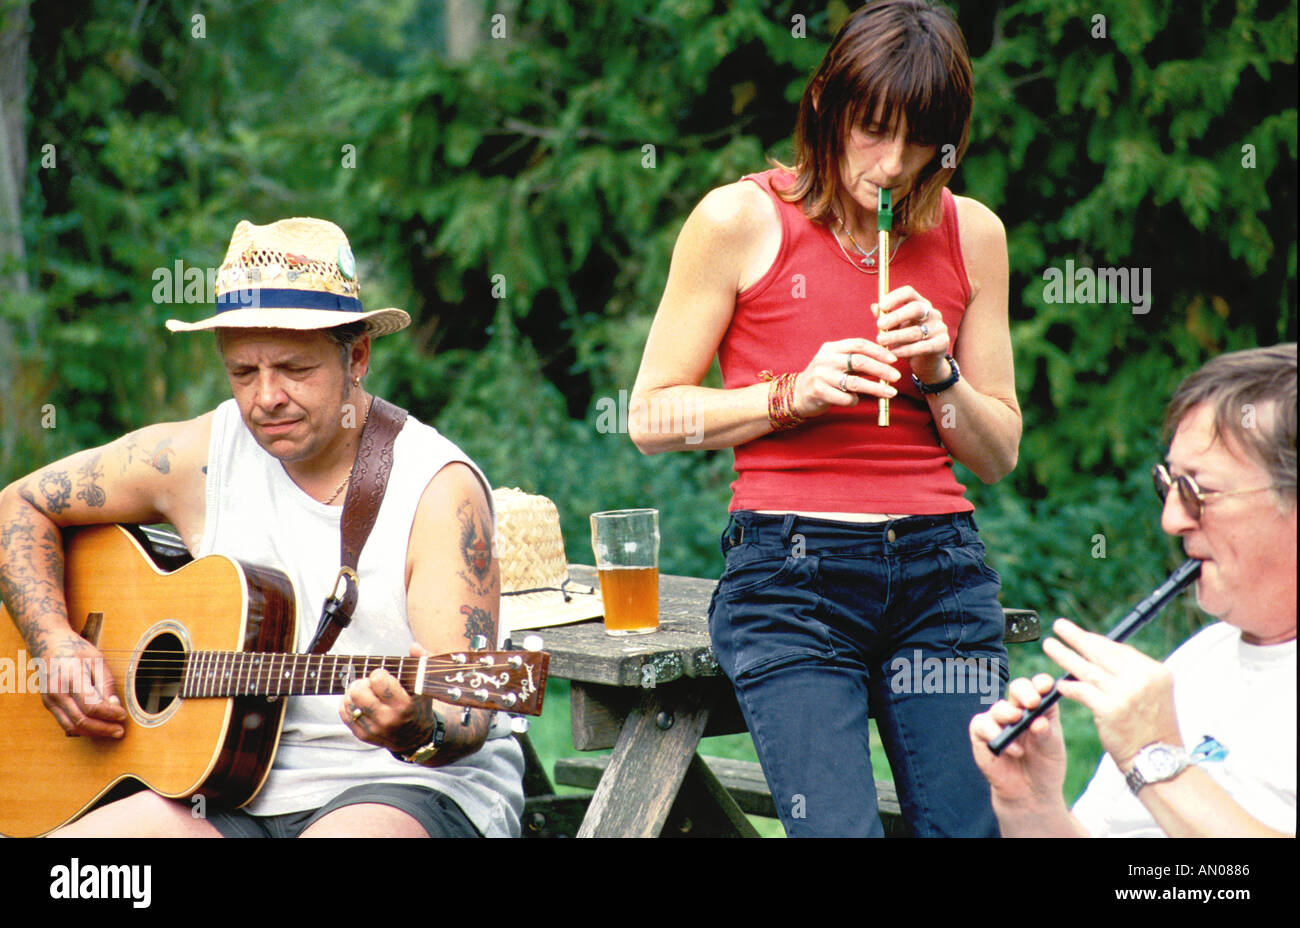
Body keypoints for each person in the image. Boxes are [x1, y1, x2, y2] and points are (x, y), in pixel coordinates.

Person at [629, 0, 1019, 837]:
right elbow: (652, 416)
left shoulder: (972, 234)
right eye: (871, 130)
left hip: (939, 573)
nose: (890, 163)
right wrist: (788, 396)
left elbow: (998, 455)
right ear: (823, 104)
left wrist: (939, 373)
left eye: (918, 141)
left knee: (974, 830)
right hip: (789, 577)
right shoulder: (739, 219)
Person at [0, 217, 525, 837]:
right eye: (243, 372)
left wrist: (420, 725)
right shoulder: (199, 455)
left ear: (355, 356)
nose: (264, 398)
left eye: (293, 369)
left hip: (406, 786)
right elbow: (18, 504)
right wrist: (56, 641)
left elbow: (466, 713)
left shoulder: (437, 489)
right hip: (220, 789)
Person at [970, 344, 1296, 837]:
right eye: (1169, 487)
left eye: (1197, 491)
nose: (1172, 520)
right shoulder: (1198, 660)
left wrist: (1155, 758)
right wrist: (1032, 807)